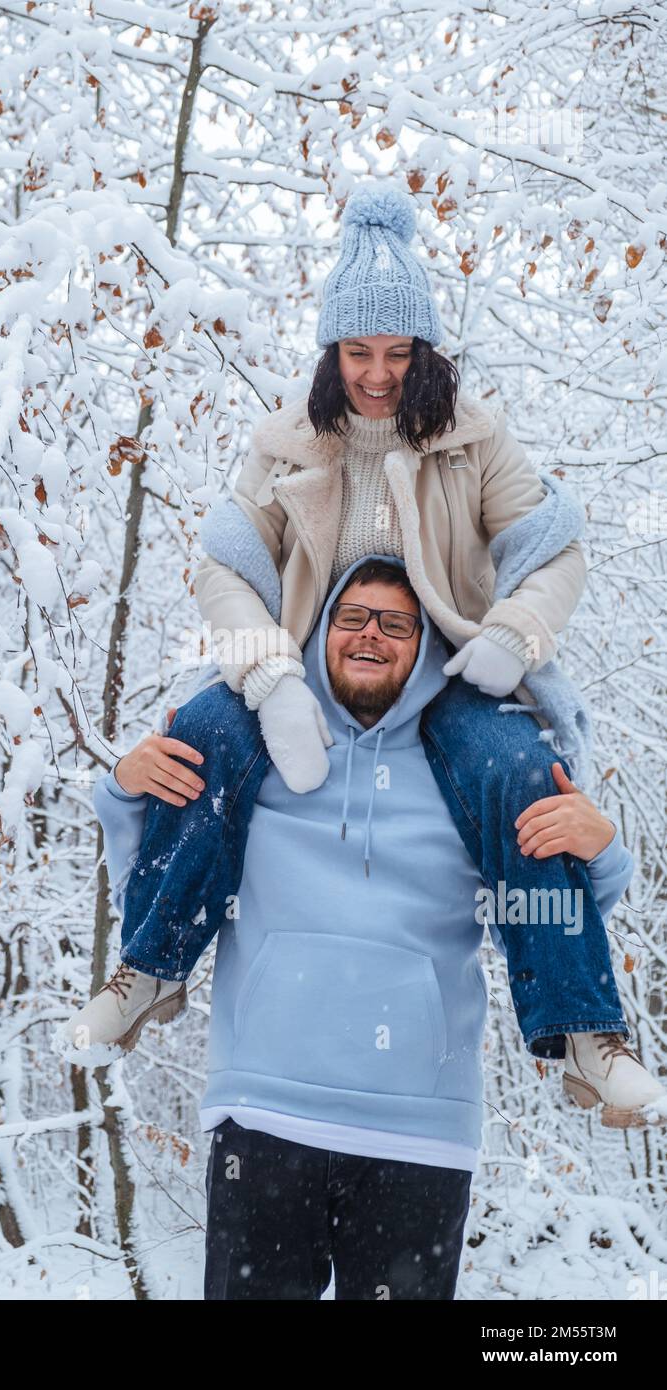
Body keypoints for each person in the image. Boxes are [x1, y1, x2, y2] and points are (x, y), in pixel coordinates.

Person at [52, 180, 666, 1117]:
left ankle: (585, 1029)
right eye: (357, 352)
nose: (376, 373)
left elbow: (557, 551)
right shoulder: (287, 443)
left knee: (519, 769)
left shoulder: (476, 439)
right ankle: (147, 967)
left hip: (450, 664)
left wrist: (510, 634)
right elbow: (224, 565)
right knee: (204, 733)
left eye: (396, 352)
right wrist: (266, 675)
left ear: (424, 354)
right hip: (307, 657)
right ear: (330, 352)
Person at [73, 555, 666, 1299]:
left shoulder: (472, 767)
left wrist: (603, 850)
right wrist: (121, 792)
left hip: (421, 1135)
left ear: (426, 643)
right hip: (263, 1117)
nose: (371, 635)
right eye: (352, 616)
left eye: (396, 623)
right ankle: (143, 985)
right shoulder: (260, 752)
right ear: (319, 629)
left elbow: (542, 911)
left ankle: (589, 1040)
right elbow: (153, 891)